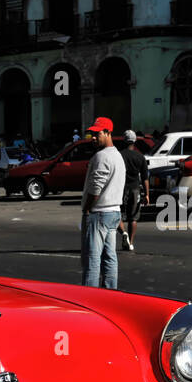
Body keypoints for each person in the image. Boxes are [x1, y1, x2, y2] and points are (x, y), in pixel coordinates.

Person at [80, 116, 124, 289]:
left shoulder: (102, 157)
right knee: (110, 257)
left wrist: (87, 209)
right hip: (113, 212)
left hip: (99, 213)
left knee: (92, 259)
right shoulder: (118, 156)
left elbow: (95, 189)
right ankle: (110, 293)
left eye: (97, 134)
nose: (94, 138)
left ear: (108, 133)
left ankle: (88, 297)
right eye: (92, 134)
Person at [117, 129, 149, 252]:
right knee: (133, 218)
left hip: (121, 188)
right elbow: (145, 177)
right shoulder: (140, 157)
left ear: (124, 140)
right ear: (135, 141)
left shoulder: (119, 155)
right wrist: (147, 194)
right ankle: (130, 242)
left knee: (116, 214)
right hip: (135, 189)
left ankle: (123, 232)